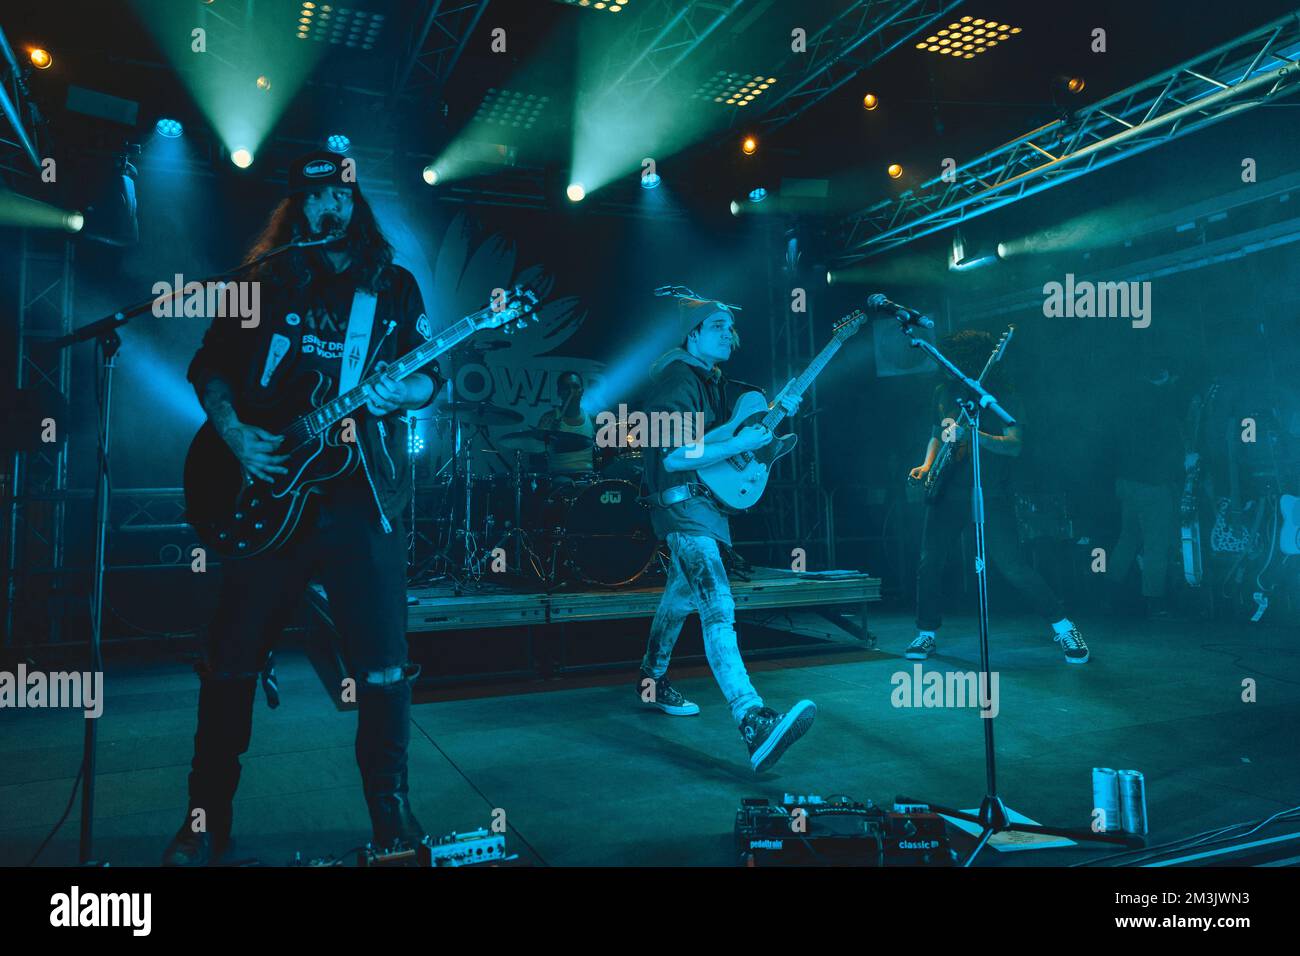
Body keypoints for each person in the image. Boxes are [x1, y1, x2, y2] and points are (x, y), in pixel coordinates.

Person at [164, 151, 445, 865]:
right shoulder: (263, 279)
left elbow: (429, 377)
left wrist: (399, 393)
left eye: (342, 196)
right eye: (316, 197)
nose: (330, 208)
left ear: (357, 205)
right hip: (264, 492)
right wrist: (234, 434)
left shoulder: (391, 287)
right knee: (229, 660)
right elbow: (211, 364)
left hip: (360, 501)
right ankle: (205, 819)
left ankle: (392, 813)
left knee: (383, 665)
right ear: (297, 207)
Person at [638, 297, 816, 772]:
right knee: (718, 606)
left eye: (731, 327)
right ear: (692, 335)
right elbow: (673, 456)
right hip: (683, 506)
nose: (728, 334)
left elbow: (718, 438)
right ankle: (751, 718)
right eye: (716, 326)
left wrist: (771, 420)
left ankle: (651, 680)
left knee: (678, 600)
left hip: (700, 507)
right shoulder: (679, 379)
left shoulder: (709, 382)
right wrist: (741, 442)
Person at [906, 329, 1088, 664]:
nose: (943, 365)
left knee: (1013, 566)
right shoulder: (943, 391)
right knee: (929, 563)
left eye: (950, 359)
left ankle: (1064, 628)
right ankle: (925, 634)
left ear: (966, 361)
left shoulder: (1002, 395)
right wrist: (927, 463)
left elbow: (1015, 445)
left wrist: (975, 435)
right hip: (946, 491)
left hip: (988, 492)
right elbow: (936, 434)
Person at [1108, 354, 1196, 618]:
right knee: (1156, 543)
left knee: (1128, 538)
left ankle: (1109, 593)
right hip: (1152, 484)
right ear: (1166, 375)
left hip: (1127, 482)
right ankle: (1155, 602)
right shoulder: (1162, 401)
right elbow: (1169, 445)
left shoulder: (1127, 398)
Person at [536, 370, 595, 476]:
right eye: (566, 388)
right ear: (559, 392)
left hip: (588, 479)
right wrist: (548, 435)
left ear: (582, 391)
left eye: (575, 387)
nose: (571, 391)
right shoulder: (548, 418)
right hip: (558, 479)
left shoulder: (592, 419)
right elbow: (537, 452)